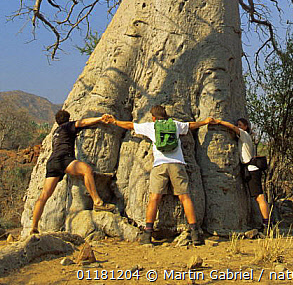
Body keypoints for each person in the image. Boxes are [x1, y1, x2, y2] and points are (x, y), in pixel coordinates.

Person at [105, 105, 214, 245]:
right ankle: (194, 233)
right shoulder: (175, 124)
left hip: (160, 165)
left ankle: (147, 234)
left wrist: (114, 121)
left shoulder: (152, 126)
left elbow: (130, 125)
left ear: (154, 117)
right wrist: (205, 121)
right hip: (177, 164)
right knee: (185, 197)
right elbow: (192, 125)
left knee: (154, 198)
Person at [30, 109, 115, 235]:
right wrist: (100, 119)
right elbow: (83, 122)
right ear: (68, 119)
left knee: (44, 195)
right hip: (64, 159)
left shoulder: (56, 131)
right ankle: (97, 202)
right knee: (87, 170)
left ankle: (33, 226)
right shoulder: (68, 126)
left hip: (52, 162)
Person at [212, 117, 270, 230]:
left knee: (260, 197)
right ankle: (265, 222)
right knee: (258, 197)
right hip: (249, 169)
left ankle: (266, 224)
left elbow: (233, 128)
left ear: (245, 127)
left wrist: (219, 122)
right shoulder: (244, 137)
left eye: (240, 125)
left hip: (252, 170)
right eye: (237, 124)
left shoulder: (244, 134)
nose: (238, 127)